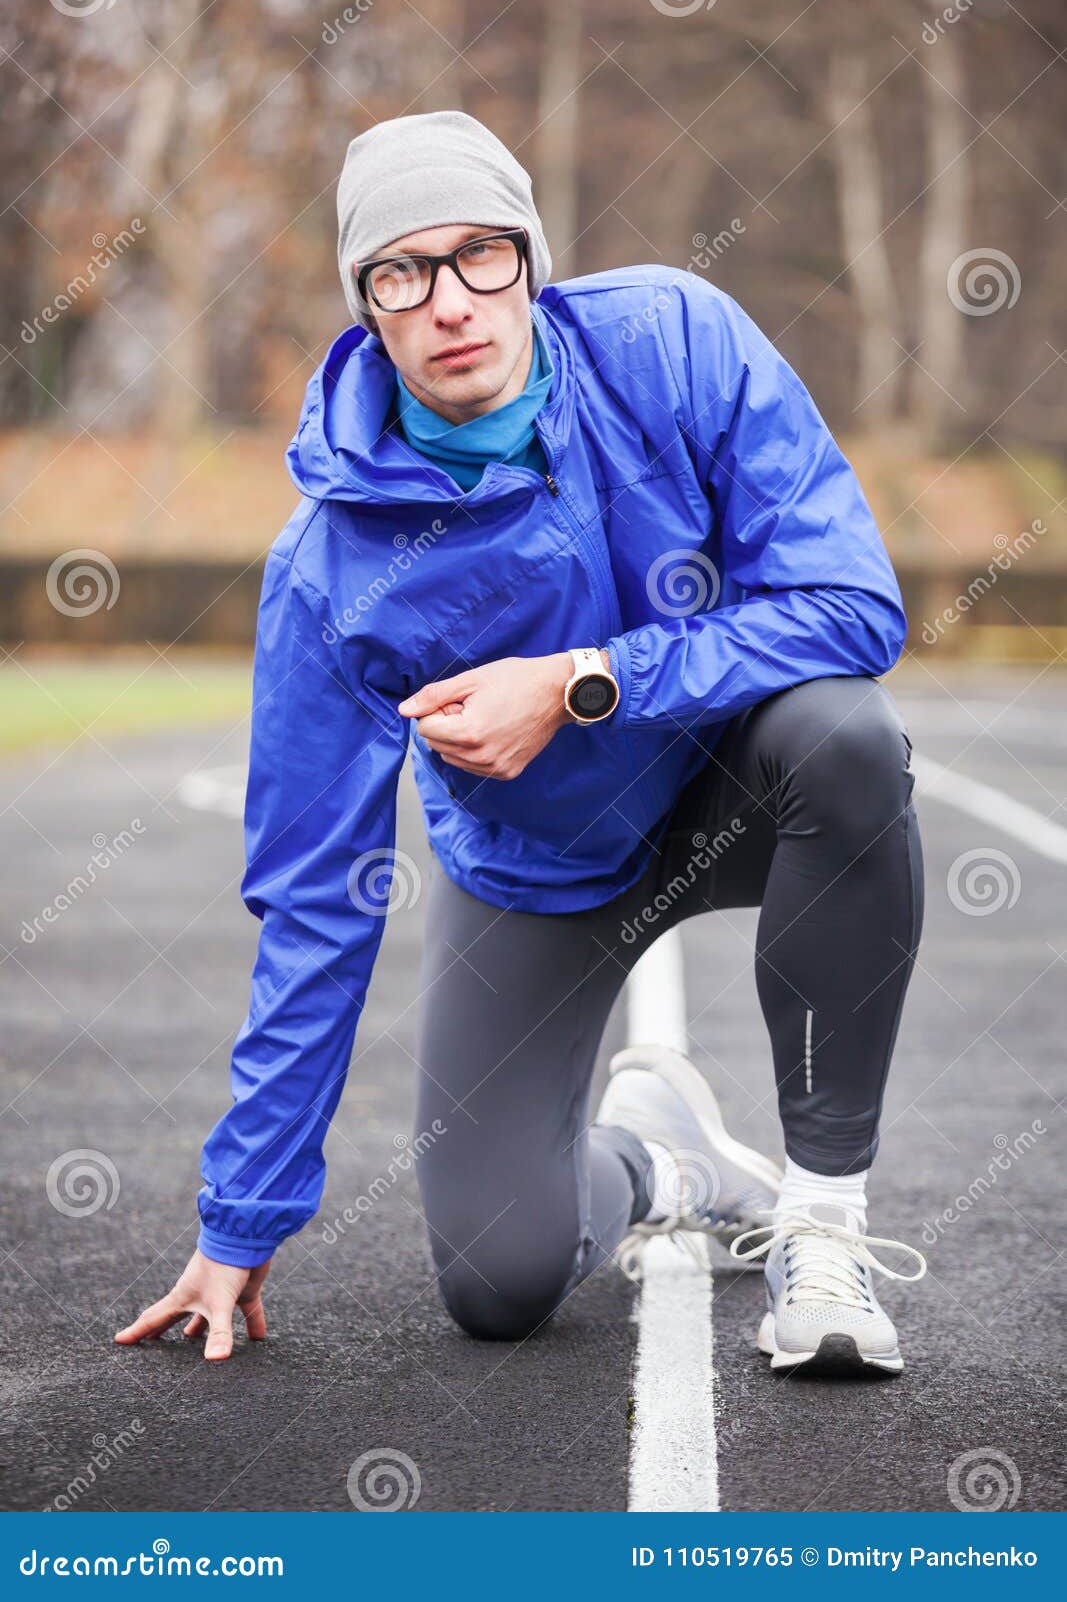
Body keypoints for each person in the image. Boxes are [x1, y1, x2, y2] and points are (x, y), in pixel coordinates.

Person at [116, 110, 927, 1375]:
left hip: (743, 786)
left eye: (479, 254)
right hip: (547, 868)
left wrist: (580, 681)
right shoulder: (328, 574)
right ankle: (663, 1157)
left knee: (849, 739)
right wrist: (241, 1218)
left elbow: (854, 605)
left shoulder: (671, 338)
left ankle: (819, 1225)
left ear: (530, 260)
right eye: (403, 271)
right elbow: (315, 898)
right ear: (366, 306)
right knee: (499, 1282)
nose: (449, 301)